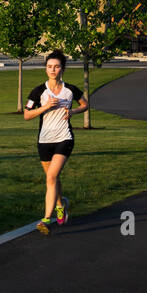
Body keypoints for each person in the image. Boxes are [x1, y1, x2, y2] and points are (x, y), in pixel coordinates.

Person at [24, 49, 87, 235]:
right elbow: (27, 115)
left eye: (57, 66)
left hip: (64, 138)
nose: (53, 70)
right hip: (44, 140)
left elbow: (85, 104)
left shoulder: (71, 90)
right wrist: (44, 107)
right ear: (46, 69)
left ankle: (45, 219)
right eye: (50, 66)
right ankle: (61, 204)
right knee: (53, 178)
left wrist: (73, 112)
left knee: (50, 177)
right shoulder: (38, 91)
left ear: (63, 69)